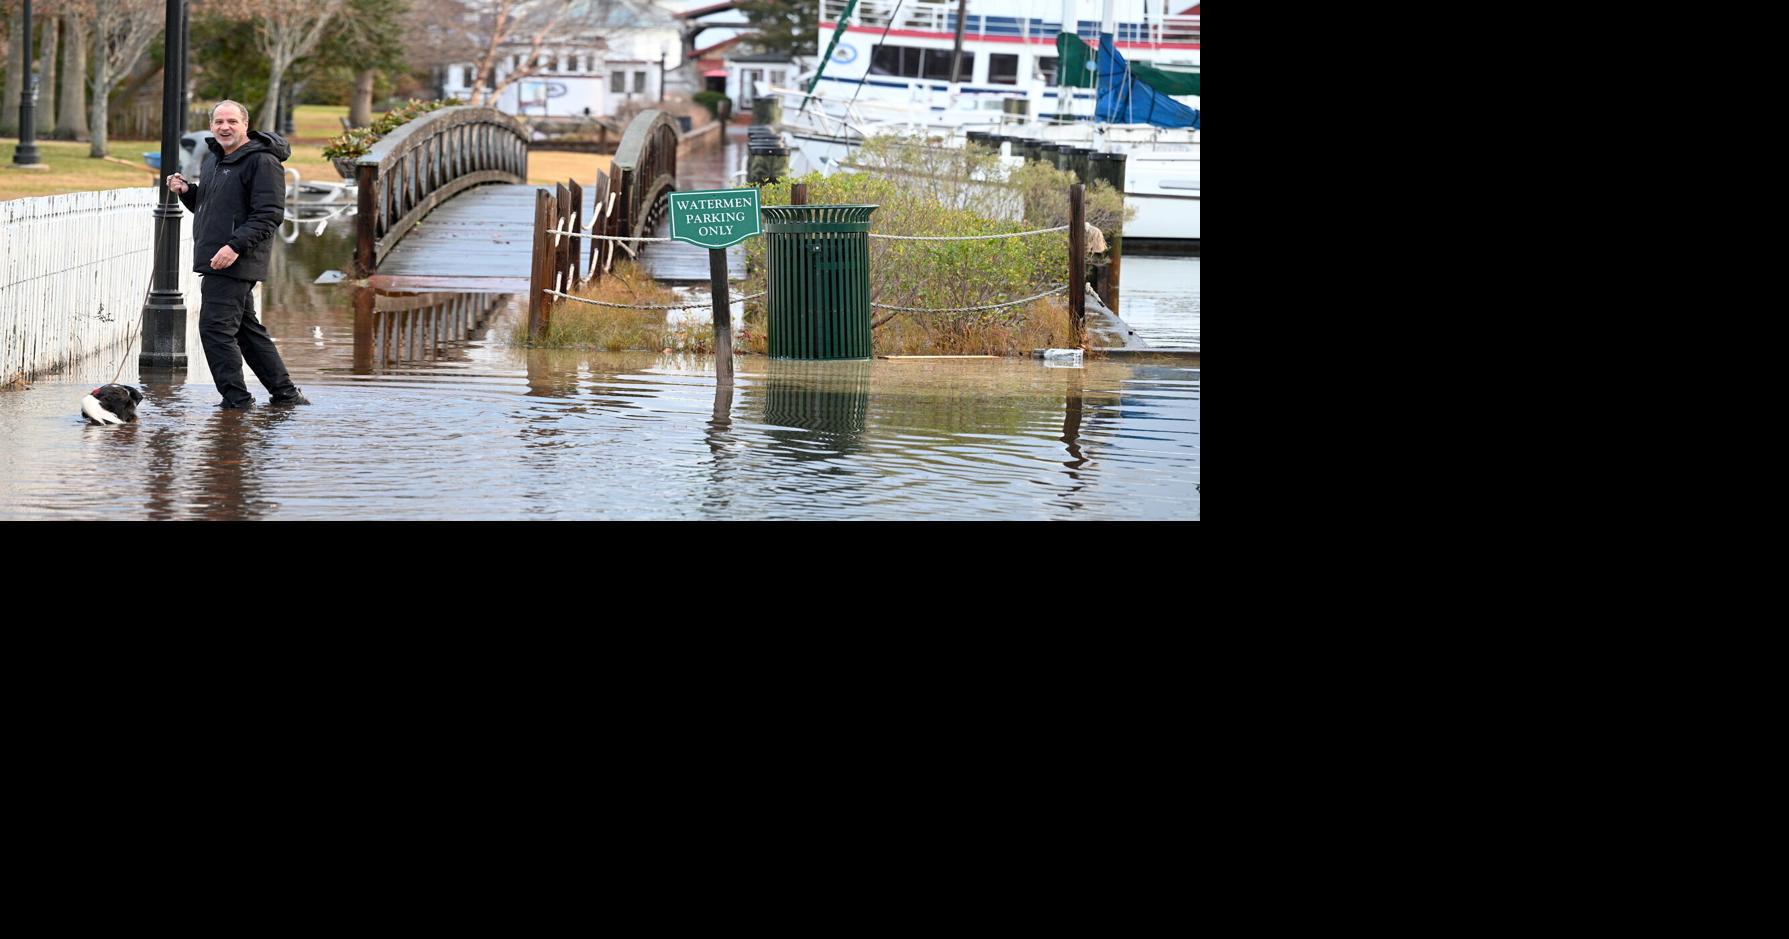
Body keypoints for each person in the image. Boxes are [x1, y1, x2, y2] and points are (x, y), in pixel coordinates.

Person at [166, 100, 308, 408]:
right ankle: (286, 395)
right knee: (246, 331)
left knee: (215, 329)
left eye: (231, 121)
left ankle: (237, 402)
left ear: (245, 125)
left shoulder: (262, 162)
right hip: (218, 256)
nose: (224, 127)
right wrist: (187, 192)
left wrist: (234, 247)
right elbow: (210, 207)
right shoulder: (214, 158)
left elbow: (269, 214)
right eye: (219, 122)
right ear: (212, 125)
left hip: (234, 259)